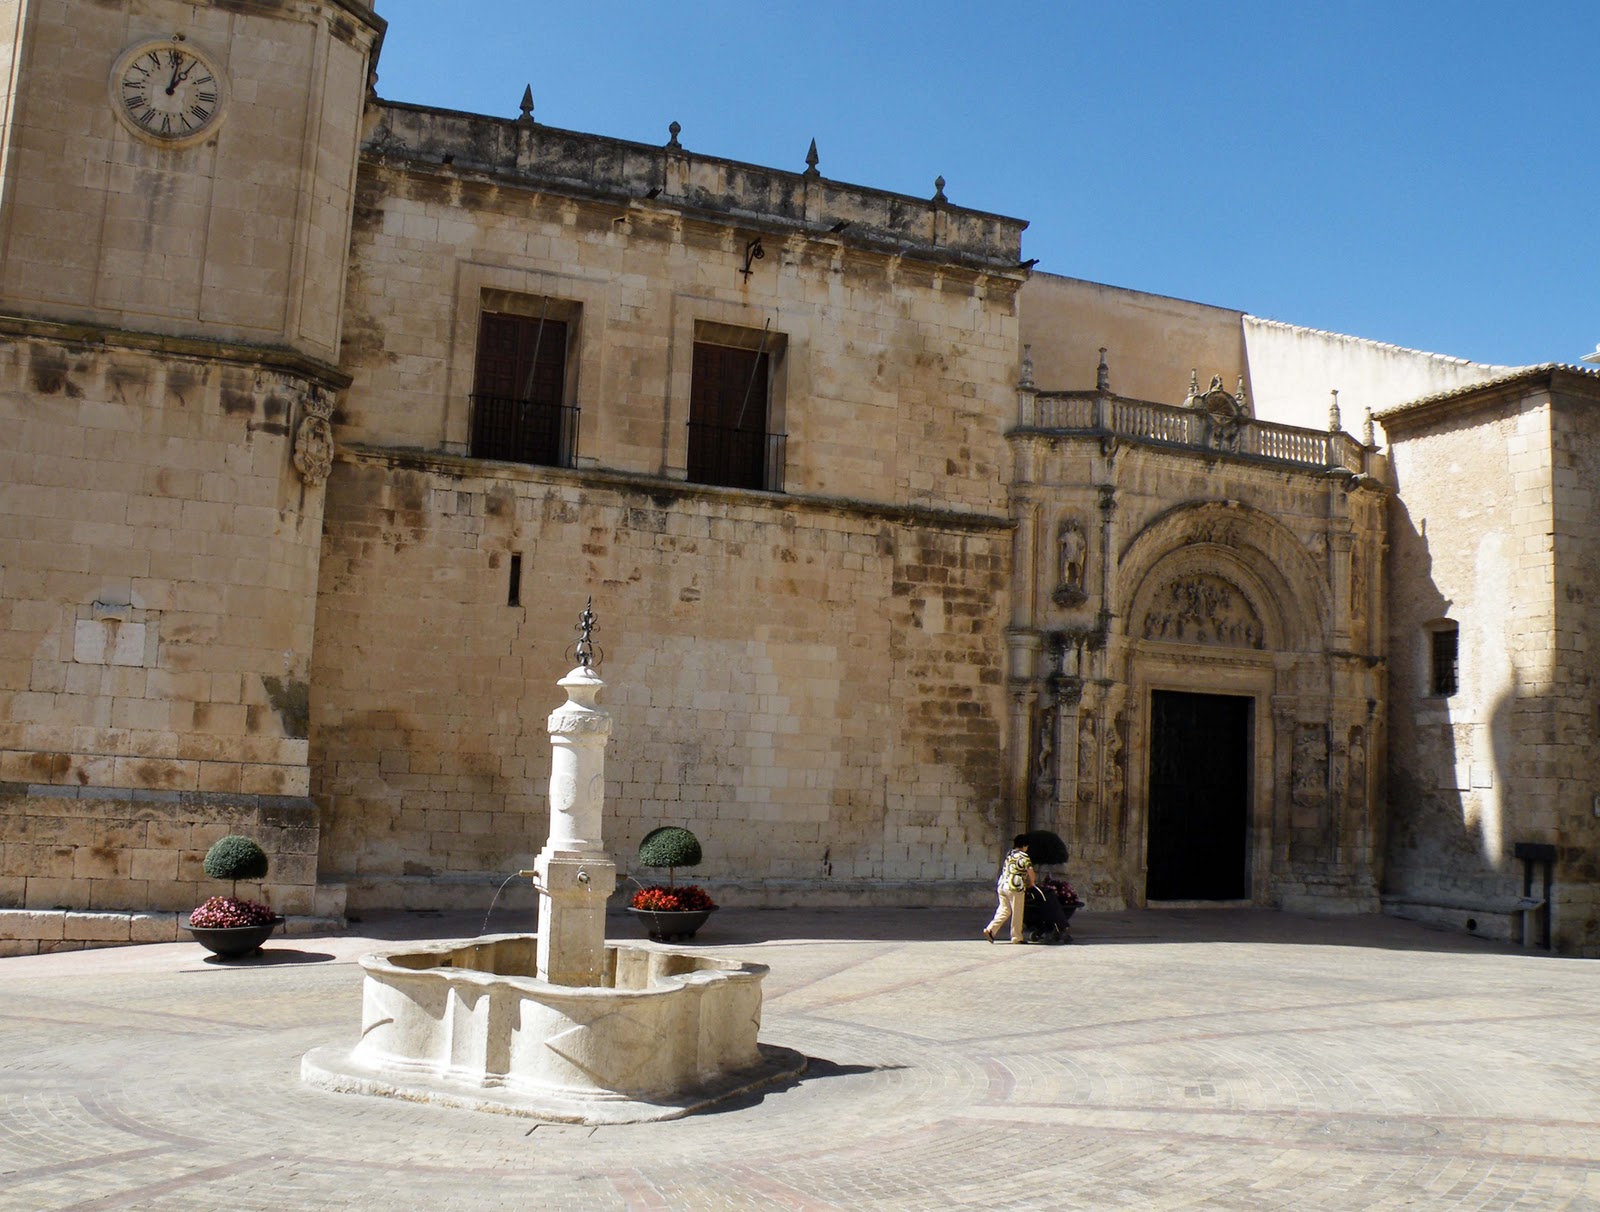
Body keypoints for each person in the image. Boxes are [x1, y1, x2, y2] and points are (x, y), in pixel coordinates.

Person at [983, 835, 1034, 944]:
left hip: (1003, 885)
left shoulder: (1009, 855)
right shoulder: (1023, 856)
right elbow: (1030, 869)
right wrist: (1032, 882)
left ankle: (991, 929)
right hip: (1015, 886)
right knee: (1017, 912)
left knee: (1004, 910)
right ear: (1025, 846)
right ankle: (1017, 937)